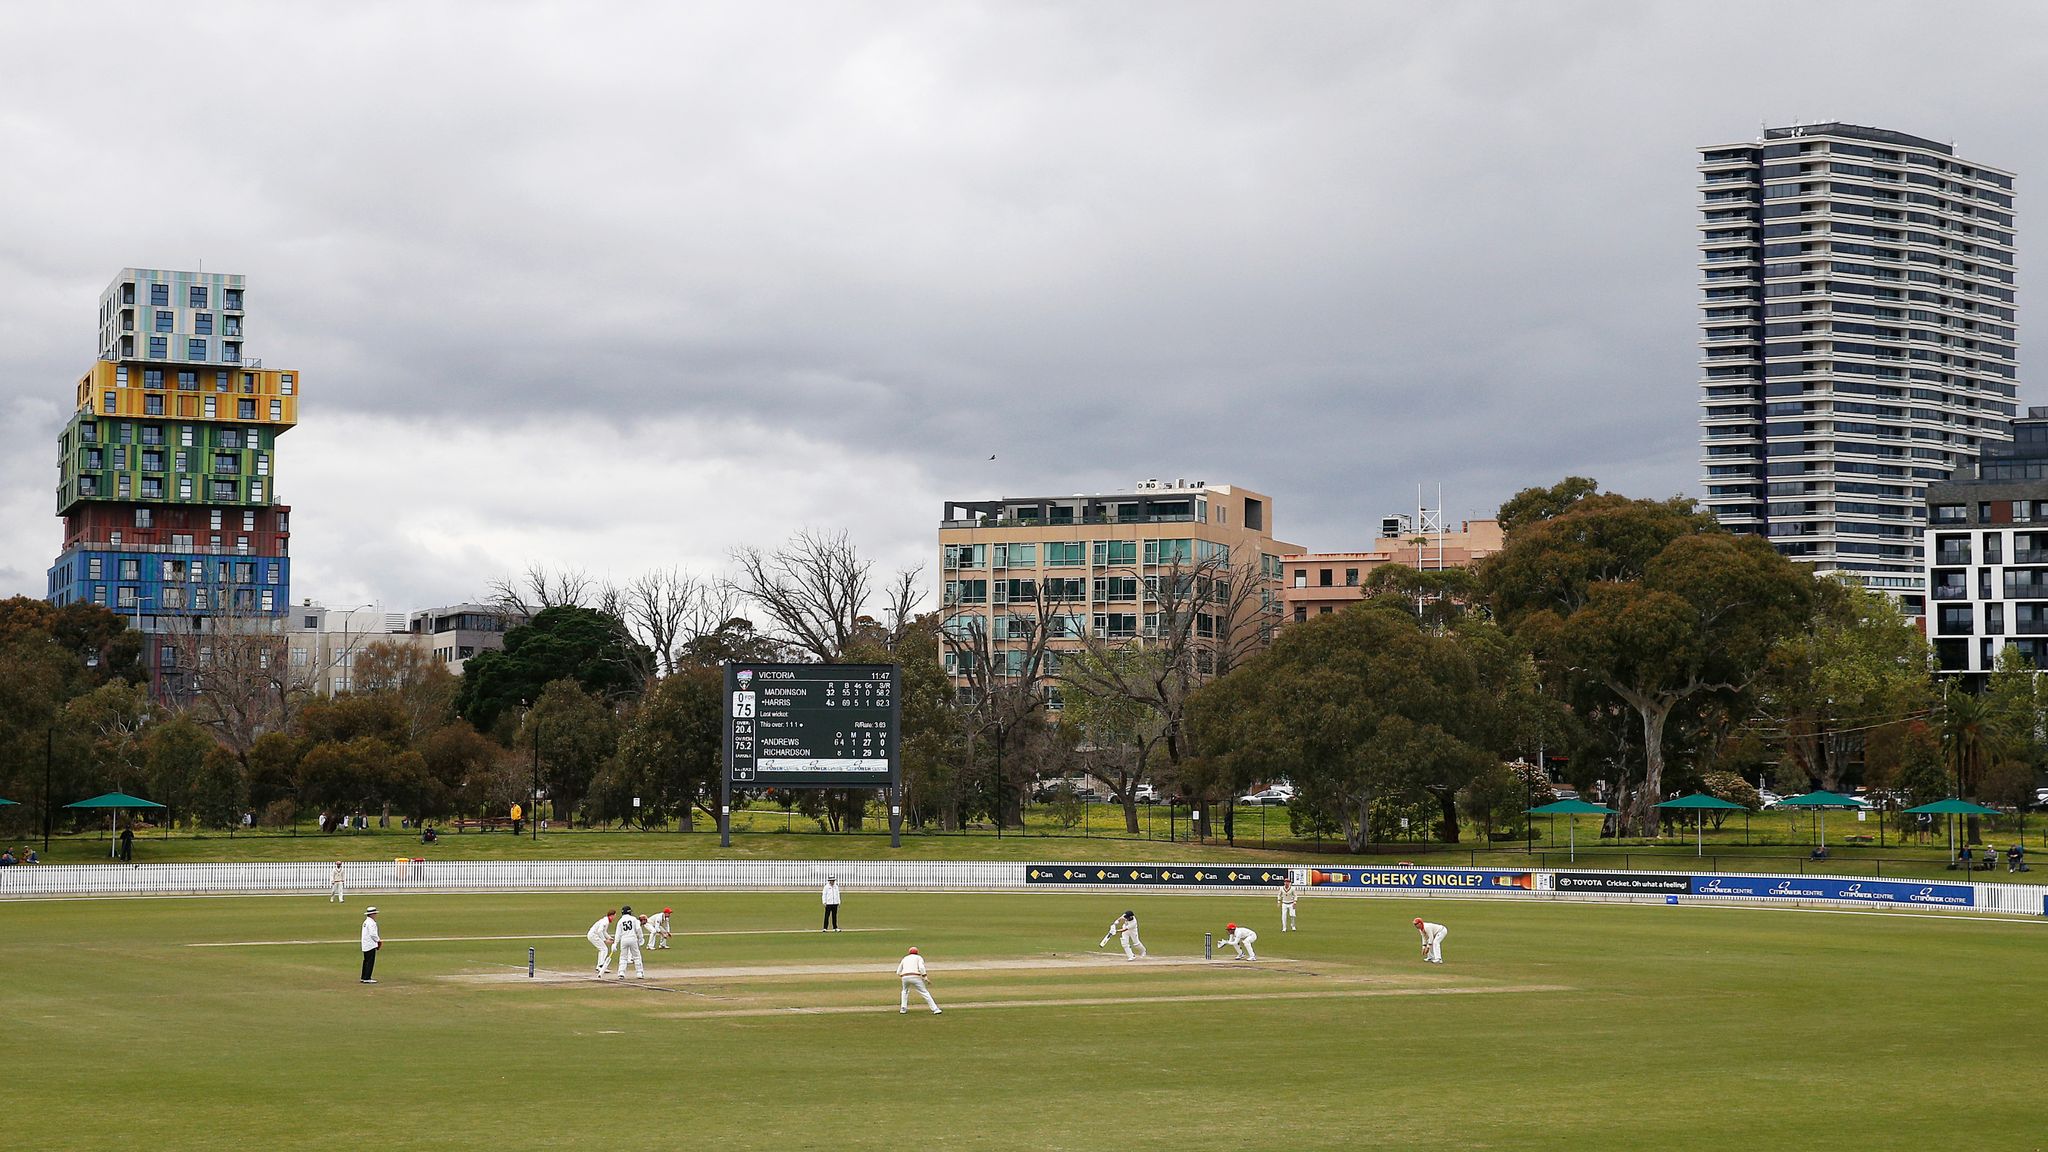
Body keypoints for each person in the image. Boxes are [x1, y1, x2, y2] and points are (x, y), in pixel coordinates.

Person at [897, 946, 941, 1014]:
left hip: (905, 977)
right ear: (917, 952)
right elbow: (921, 967)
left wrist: (904, 976)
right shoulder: (919, 957)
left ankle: (903, 1008)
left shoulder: (905, 958)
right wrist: (925, 976)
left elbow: (898, 971)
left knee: (904, 991)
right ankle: (935, 1009)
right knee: (924, 992)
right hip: (915, 976)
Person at [612, 905, 645, 979]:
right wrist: (641, 938)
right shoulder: (633, 919)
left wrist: (615, 944)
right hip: (633, 938)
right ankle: (639, 973)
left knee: (623, 957)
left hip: (624, 940)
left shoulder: (620, 921)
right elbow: (638, 929)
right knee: (636, 956)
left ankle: (621, 972)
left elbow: (618, 934)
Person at [588, 909, 618, 976]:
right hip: (593, 935)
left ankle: (599, 966)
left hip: (594, 935)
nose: (615, 917)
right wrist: (604, 940)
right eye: (614, 916)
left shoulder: (606, 921)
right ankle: (600, 966)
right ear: (611, 915)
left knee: (603, 949)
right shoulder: (605, 921)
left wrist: (609, 938)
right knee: (604, 949)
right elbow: (599, 931)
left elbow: (604, 932)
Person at [360, 907, 382, 983]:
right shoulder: (372, 923)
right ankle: (367, 977)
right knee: (370, 961)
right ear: (372, 914)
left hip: (365, 944)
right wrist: (378, 940)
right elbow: (373, 934)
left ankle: (364, 976)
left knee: (366, 961)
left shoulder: (366, 922)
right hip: (370, 944)